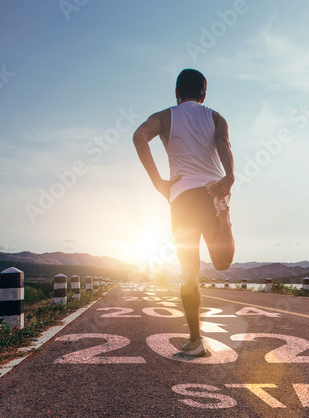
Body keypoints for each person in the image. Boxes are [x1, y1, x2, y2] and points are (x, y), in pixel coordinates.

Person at [132, 69, 234, 357]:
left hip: (182, 199)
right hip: (213, 192)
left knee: (190, 273)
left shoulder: (164, 116)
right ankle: (224, 213)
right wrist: (230, 176)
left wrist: (158, 183)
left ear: (177, 93)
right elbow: (224, 144)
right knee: (223, 262)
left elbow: (139, 137)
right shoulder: (216, 117)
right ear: (203, 94)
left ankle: (195, 341)